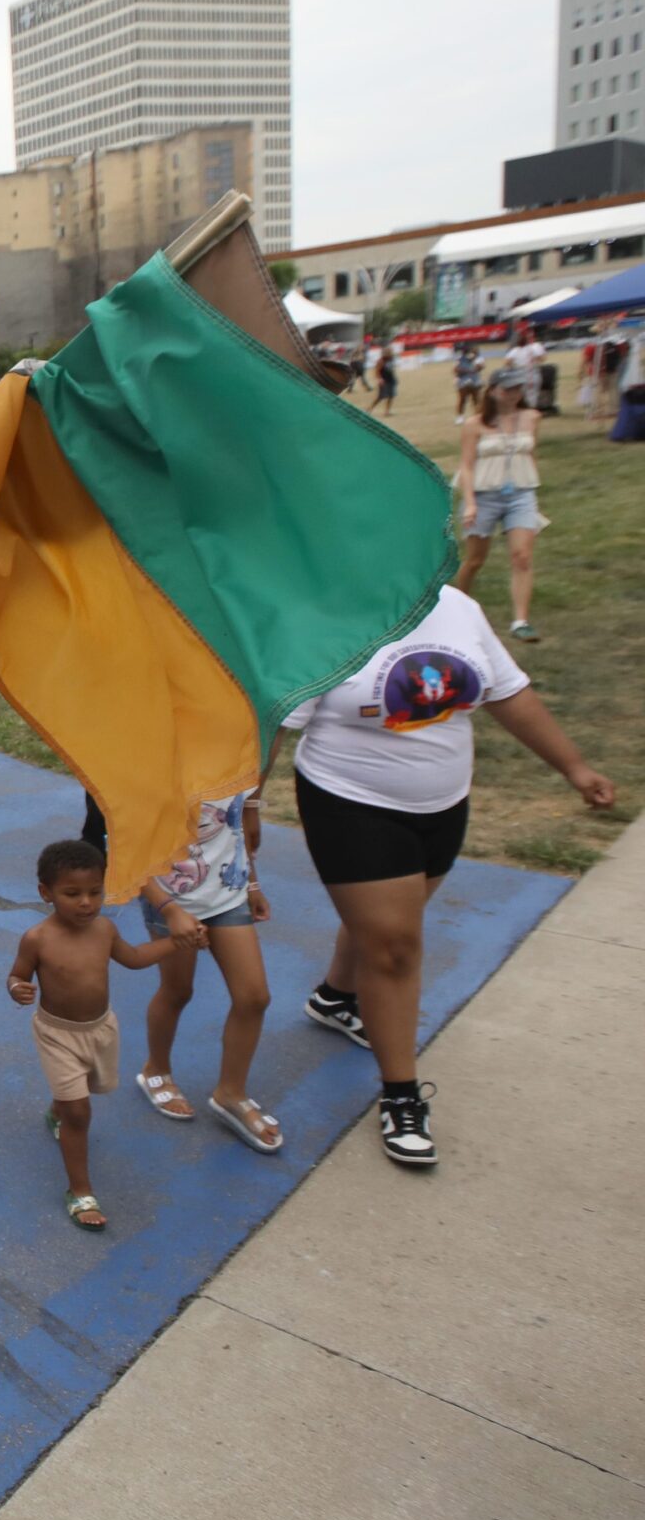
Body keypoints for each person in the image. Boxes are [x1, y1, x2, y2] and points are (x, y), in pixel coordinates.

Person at [277, 585, 613, 1168]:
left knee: (388, 926)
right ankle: (401, 1095)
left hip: (443, 802)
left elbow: (509, 692)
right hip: (349, 799)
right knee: (395, 946)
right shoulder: (323, 613)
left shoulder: (457, 607)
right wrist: (244, 807)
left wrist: (574, 767)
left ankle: (335, 997)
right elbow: (275, 723)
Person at [7, 839, 178, 1230]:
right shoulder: (38, 938)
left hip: (101, 1029)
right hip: (57, 1034)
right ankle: (80, 1190)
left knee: (80, 1094)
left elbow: (135, 959)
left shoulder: (104, 929)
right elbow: (17, 974)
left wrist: (175, 942)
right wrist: (18, 988)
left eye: (95, 892)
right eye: (72, 894)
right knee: (80, 1112)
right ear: (46, 893)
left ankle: (58, 1110)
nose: (86, 902)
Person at [130, 791, 281, 1152]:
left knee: (254, 997)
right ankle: (156, 1070)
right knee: (178, 991)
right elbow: (128, 851)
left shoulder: (234, 765)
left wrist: (253, 883)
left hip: (228, 893)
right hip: (173, 900)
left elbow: (236, 827)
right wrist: (169, 911)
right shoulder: (153, 773)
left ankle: (231, 1092)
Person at [454, 380, 547, 642]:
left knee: (522, 557)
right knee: (475, 560)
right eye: (507, 389)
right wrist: (470, 503)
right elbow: (467, 465)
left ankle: (521, 622)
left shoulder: (532, 417)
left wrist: (531, 485)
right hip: (483, 495)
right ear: (493, 391)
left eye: (518, 388)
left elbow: (531, 453)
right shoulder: (474, 424)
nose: (514, 394)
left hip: (521, 494)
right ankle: (458, 608)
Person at [453, 344, 484, 424]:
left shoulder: (478, 358)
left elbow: (480, 367)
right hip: (463, 381)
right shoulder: (460, 359)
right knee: (462, 399)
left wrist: (471, 366)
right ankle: (460, 417)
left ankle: (478, 416)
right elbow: (456, 369)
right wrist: (468, 370)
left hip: (475, 381)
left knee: (476, 399)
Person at [372, 342, 400, 416]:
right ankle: (369, 409)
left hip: (391, 380)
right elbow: (377, 371)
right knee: (381, 397)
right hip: (384, 381)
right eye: (389, 352)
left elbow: (391, 370)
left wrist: (395, 379)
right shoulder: (381, 361)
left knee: (391, 396)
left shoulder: (391, 359)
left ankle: (387, 412)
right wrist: (380, 379)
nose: (391, 353)